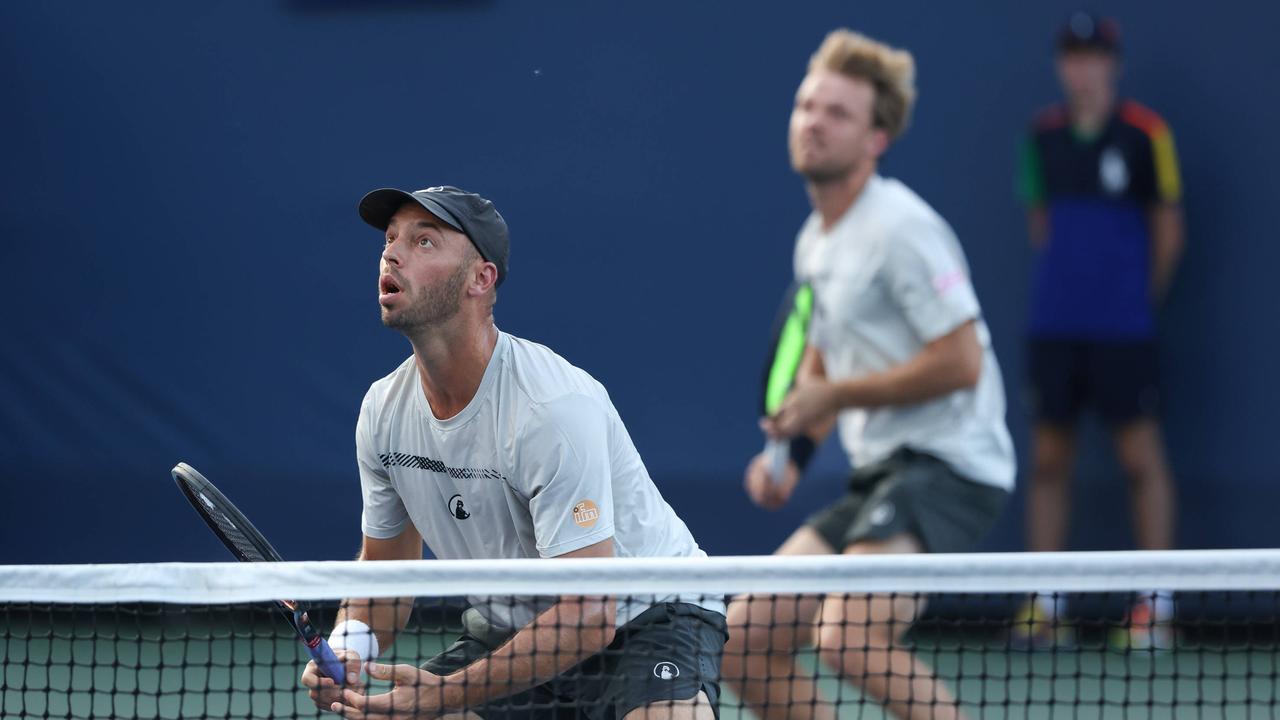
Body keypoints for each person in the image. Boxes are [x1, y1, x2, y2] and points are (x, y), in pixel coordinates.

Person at [299, 185, 728, 719]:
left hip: (647, 619)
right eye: (390, 239)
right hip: (515, 631)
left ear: (481, 279)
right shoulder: (384, 413)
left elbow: (588, 613)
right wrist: (350, 647)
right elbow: (387, 572)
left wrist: (446, 692)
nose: (392, 253)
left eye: (425, 241)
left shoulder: (549, 408)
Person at [721, 29, 1015, 720]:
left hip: (950, 467)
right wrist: (793, 451)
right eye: (806, 106)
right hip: (879, 473)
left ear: (876, 138)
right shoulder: (816, 240)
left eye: (838, 113)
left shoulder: (902, 229)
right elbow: (822, 360)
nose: (813, 122)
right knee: (741, 640)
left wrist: (836, 394)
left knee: (849, 636)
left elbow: (963, 360)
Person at [1013, 12, 1185, 651]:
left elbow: (1169, 231)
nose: (1082, 69)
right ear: (1062, 65)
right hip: (1056, 328)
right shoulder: (1042, 137)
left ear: (1113, 64)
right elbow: (1041, 226)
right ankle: (1044, 604)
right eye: (1072, 57)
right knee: (1050, 460)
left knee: (1142, 459)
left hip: (1124, 332)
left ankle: (1155, 607)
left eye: (1094, 57)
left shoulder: (1146, 135)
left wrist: (1133, 302)